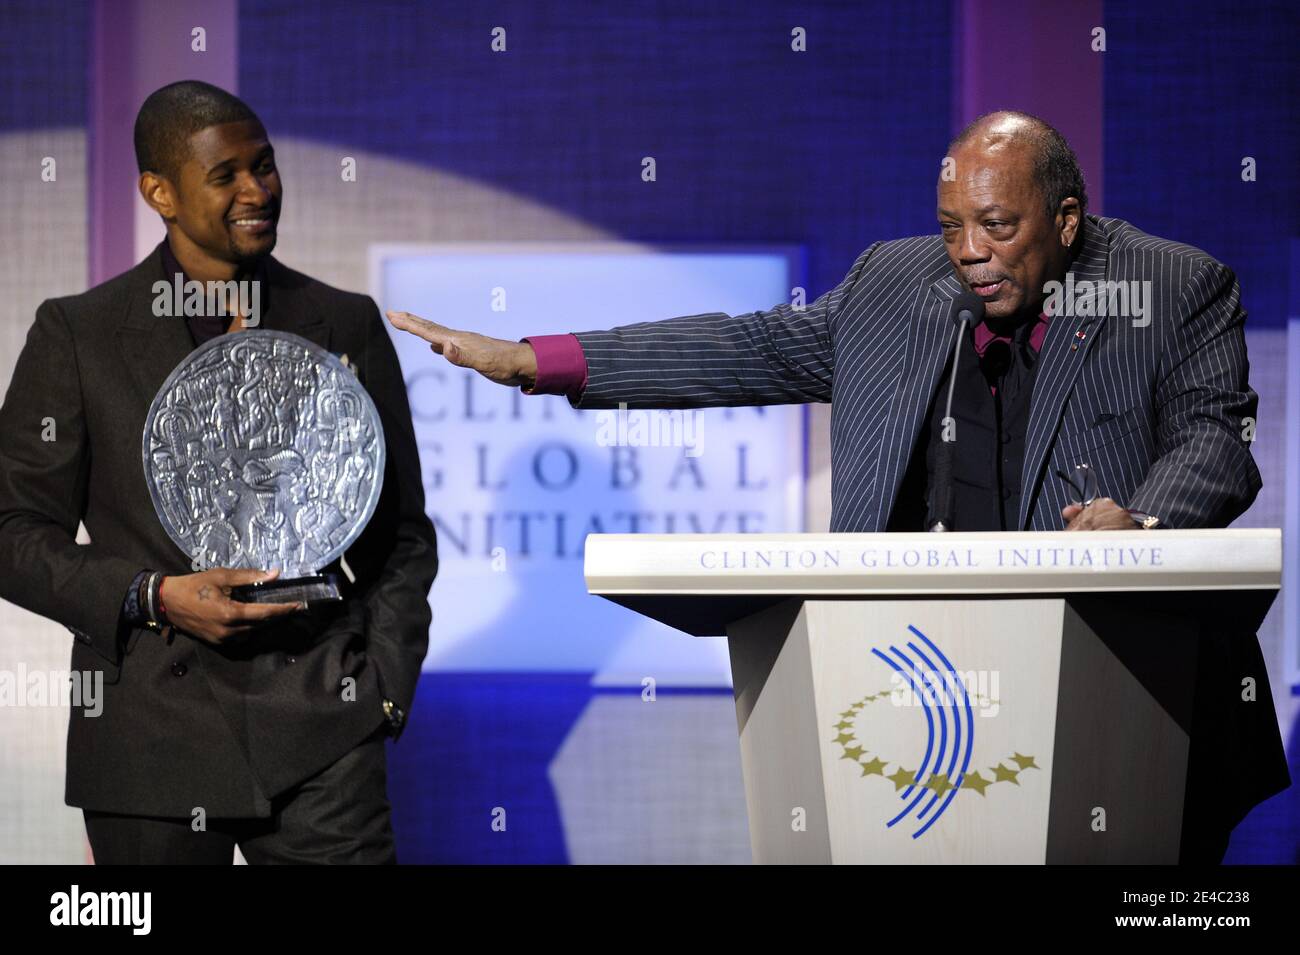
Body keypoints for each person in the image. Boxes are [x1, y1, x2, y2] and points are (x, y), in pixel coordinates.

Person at [387, 111, 1289, 863]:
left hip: (1126, 715)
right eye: (950, 227)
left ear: (1065, 219)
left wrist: (1143, 525)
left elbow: (1216, 438)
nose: (969, 252)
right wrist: (534, 361)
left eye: (997, 227)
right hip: (915, 707)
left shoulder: (1173, 286)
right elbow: (744, 351)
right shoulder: (894, 285)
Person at [0, 80, 437, 863]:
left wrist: (382, 690)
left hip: (322, 729)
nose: (257, 190)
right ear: (159, 192)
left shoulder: (345, 321)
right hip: (150, 740)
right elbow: (11, 531)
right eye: (226, 174)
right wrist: (150, 594)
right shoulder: (78, 334)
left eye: (264, 165)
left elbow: (400, 532)